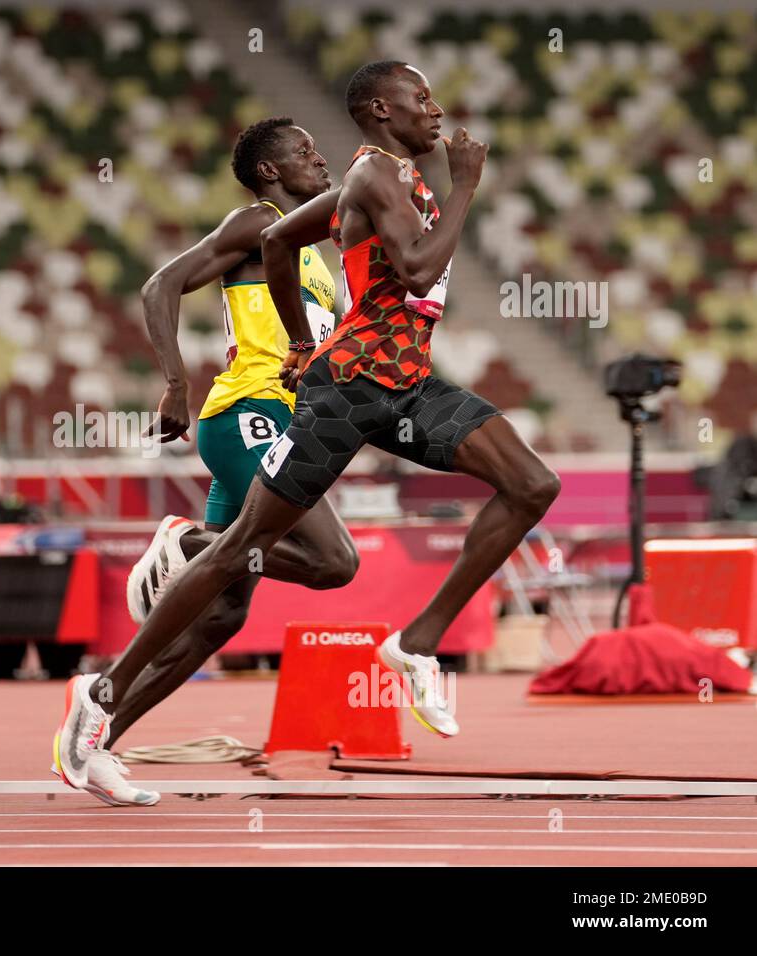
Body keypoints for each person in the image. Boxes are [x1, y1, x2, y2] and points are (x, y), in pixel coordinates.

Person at [55, 62, 561, 792]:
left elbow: (283, 251)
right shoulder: (362, 182)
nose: (439, 111)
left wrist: (301, 341)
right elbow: (415, 271)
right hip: (313, 398)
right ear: (383, 110)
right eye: (423, 100)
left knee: (530, 483)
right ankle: (106, 684)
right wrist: (468, 187)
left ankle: (413, 646)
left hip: (397, 384)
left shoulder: (348, 200)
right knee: (249, 555)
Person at [54, 118, 360, 805]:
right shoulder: (260, 222)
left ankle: (93, 732)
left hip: (284, 420)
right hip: (246, 418)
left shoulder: (310, 248)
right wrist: (173, 383)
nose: (320, 158)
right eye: (303, 151)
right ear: (272, 173)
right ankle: (185, 541)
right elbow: (160, 284)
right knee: (334, 564)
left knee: (219, 618)